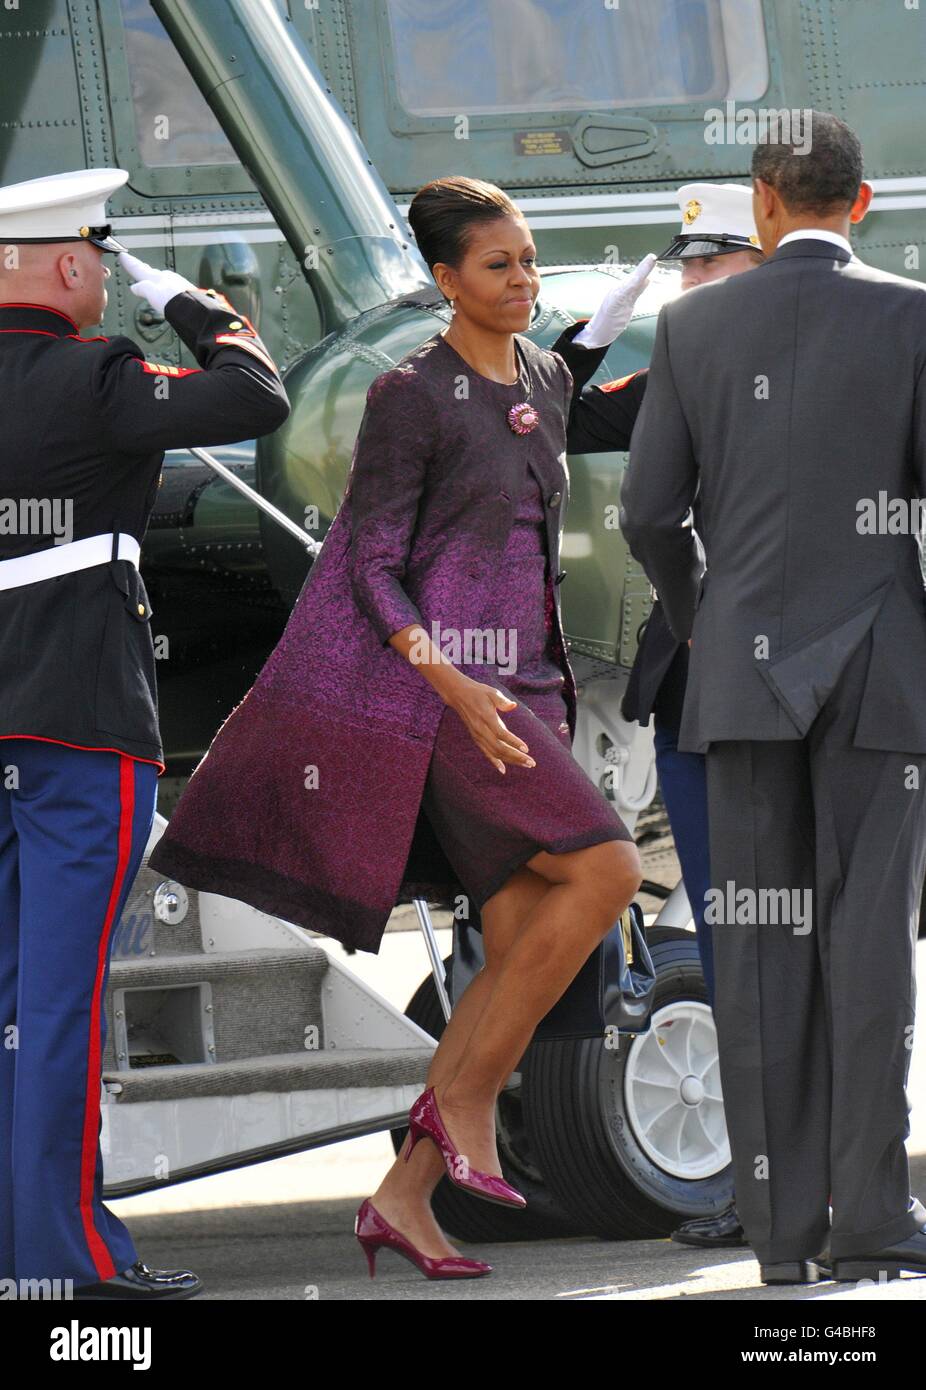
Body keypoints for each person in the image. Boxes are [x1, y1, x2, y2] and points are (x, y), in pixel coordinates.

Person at [148, 175, 643, 1281]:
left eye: (526, 261)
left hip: (535, 687)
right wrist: (453, 684)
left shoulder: (544, 373)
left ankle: (403, 1195)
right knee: (606, 871)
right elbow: (366, 563)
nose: (520, 281)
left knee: (521, 940)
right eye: (496, 265)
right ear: (442, 280)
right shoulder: (408, 396)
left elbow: (601, 425)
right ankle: (461, 1103)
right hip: (452, 696)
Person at [620, 111, 926, 1284]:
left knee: (754, 952)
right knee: (867, 946)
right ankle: (872, 1224)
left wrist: (707, 618)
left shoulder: (693, 325)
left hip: (739, 678)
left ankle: (779, 1240)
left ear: (759, 204)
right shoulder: (908, 315)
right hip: (878, 677)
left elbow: (649, 514)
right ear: (859, 204)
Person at [0, 167, 289, 1300]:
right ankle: (64, 1264)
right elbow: (255, 394)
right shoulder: (95, 378)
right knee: (56, 1005)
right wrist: (192, 302)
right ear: (73, 264)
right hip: (77, 727)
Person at [550, 183, 765, 1251]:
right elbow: (544, 413)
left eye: (706, 260)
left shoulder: (846, 354)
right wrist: (589, 329)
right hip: (694, 687)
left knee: (838, 940)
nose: (685, 283)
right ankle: (761, 1183)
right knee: (731, 936)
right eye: (679, 265)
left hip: (827, 689)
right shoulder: (671, 373)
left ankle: (852, 1169)